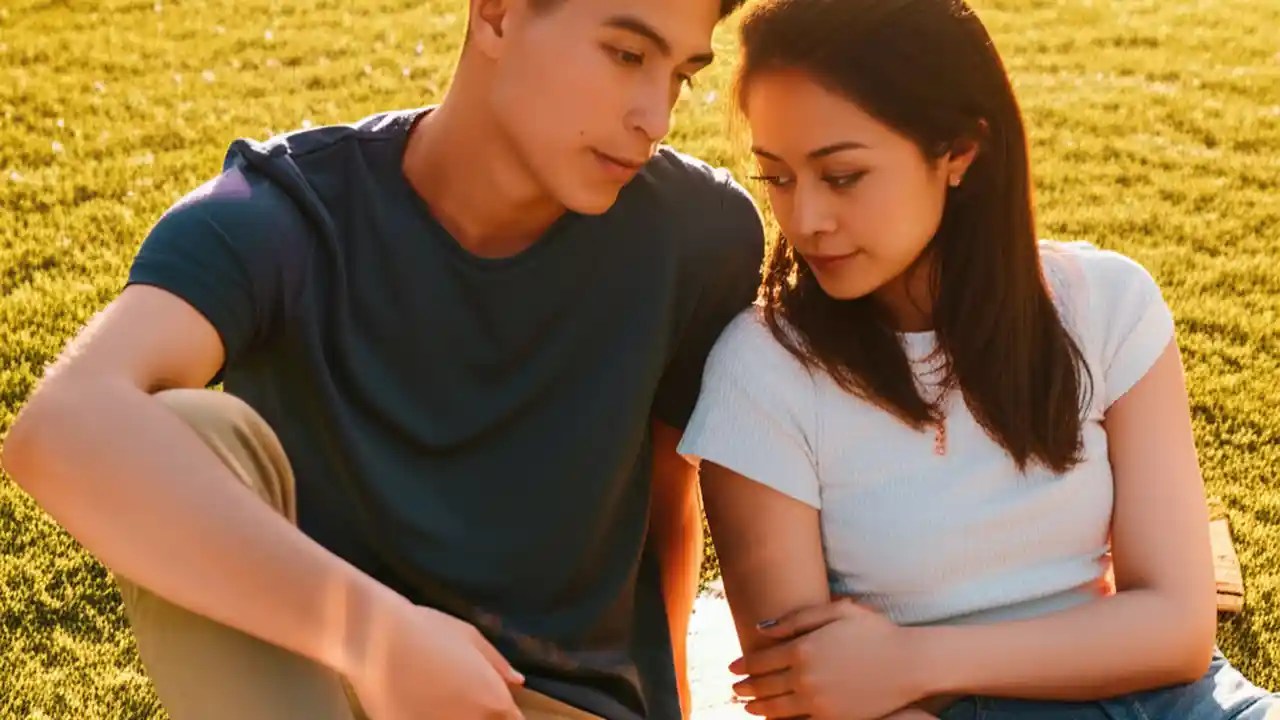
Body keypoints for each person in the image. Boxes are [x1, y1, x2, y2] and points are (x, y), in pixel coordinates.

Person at [1, 1, 764, 718]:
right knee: (188, 428)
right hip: (318, 687)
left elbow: (670, 502)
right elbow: (63, 427)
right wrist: (373, 633)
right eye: (626, 55)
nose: (655, 118)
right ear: (497, 14)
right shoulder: (283, 214)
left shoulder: (697, 237)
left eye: (681, 76)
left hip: (547, 704)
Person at [677, 0, 1279, 718]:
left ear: (959, 152)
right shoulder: (761, 372)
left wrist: (912, 660)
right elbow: (808, 690)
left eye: (841, 176)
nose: (804, 219)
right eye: (777, 177)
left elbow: (1177, 630)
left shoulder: (1109, 305)